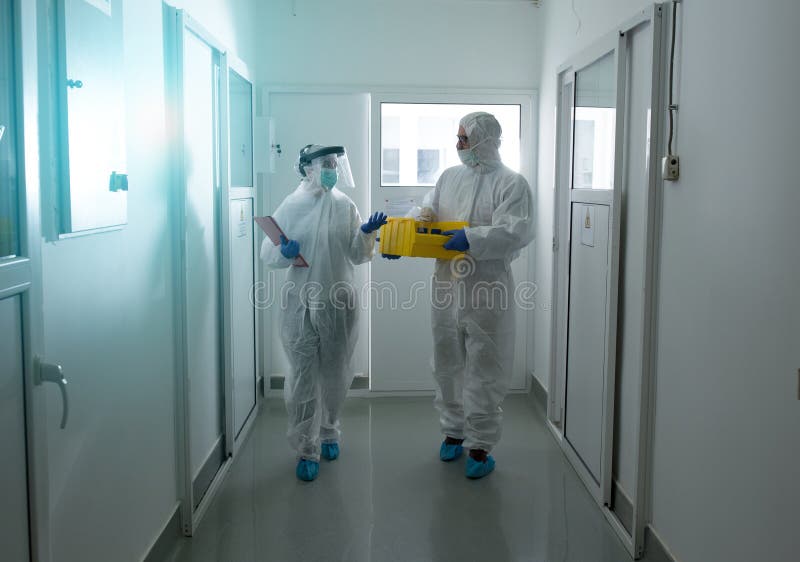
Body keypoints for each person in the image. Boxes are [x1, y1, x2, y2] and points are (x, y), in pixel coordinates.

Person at [385, 112, 534, 479]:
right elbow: (431, 209)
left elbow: (517, 231)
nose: (458, 145)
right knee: (447, 361)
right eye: (458, 137)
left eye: (463, 138)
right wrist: (417, 221)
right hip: (446, 286)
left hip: (486, 290)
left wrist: (474, 238)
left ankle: (480, 446)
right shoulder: (449, 177)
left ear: (484, 140)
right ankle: (453, 431)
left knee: (485, 365)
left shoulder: (512, 184)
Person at [262, 144, 386, 482]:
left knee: (335, 370)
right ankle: (306, 446)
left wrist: (365, 233)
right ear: (308, 168)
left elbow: (358, 255)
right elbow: (268, 253)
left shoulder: (345, 205)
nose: (333, 169)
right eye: (327, 164)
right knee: (304, 372)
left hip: (337, 298)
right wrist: (283, 251)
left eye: (335, 163)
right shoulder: (292, 204)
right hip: (300, 302)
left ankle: (330, 428)